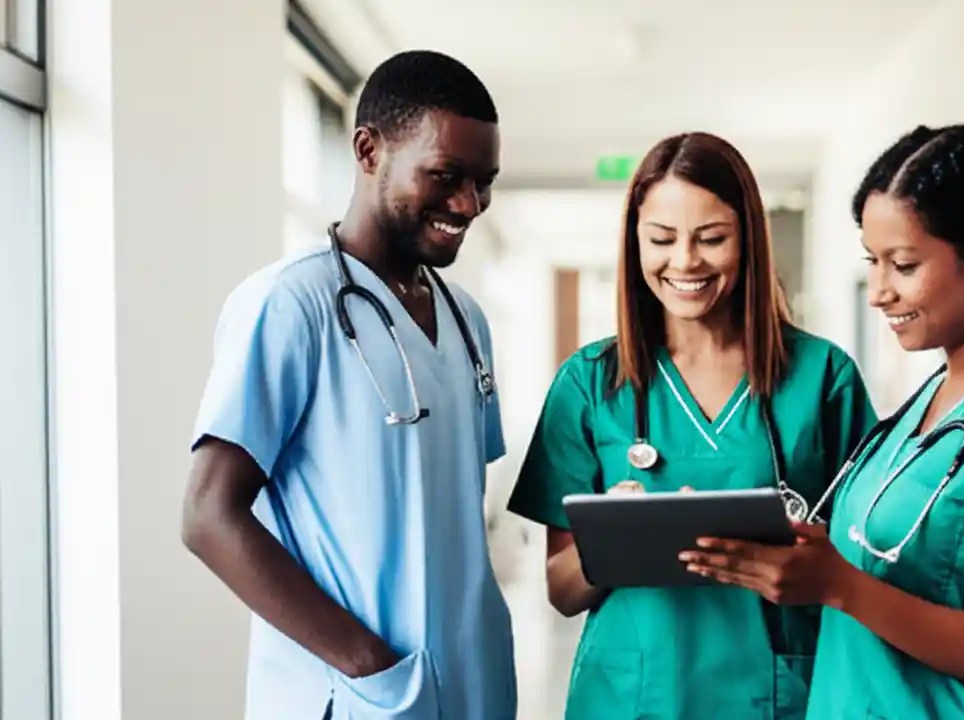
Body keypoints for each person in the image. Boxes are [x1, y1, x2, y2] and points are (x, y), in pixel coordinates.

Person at [680, 124, 964, 719]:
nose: (878, 292)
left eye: (903, 265)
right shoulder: (934, 396)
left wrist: (840, 586)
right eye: (873, 262)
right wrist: (805, 551)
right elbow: (895, 564)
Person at [181, 51, 514, 720]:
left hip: (469, 682)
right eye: (446, 176)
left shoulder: (466, 318)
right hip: (357, 693)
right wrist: (367, 662)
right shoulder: (289, 304)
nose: (468, 204)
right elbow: (207, 516)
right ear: (368, 150)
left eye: (484, 182)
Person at [506, 131, 878, 719]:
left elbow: (866, 563)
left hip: (774, 695)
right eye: (661, 239)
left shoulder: (823, 377)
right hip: (631, 698)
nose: (685, 262)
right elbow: (562, 591)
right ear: (635, 245)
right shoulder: (590, 381)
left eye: (712, 238)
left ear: (748, 240)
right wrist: (613, 536)